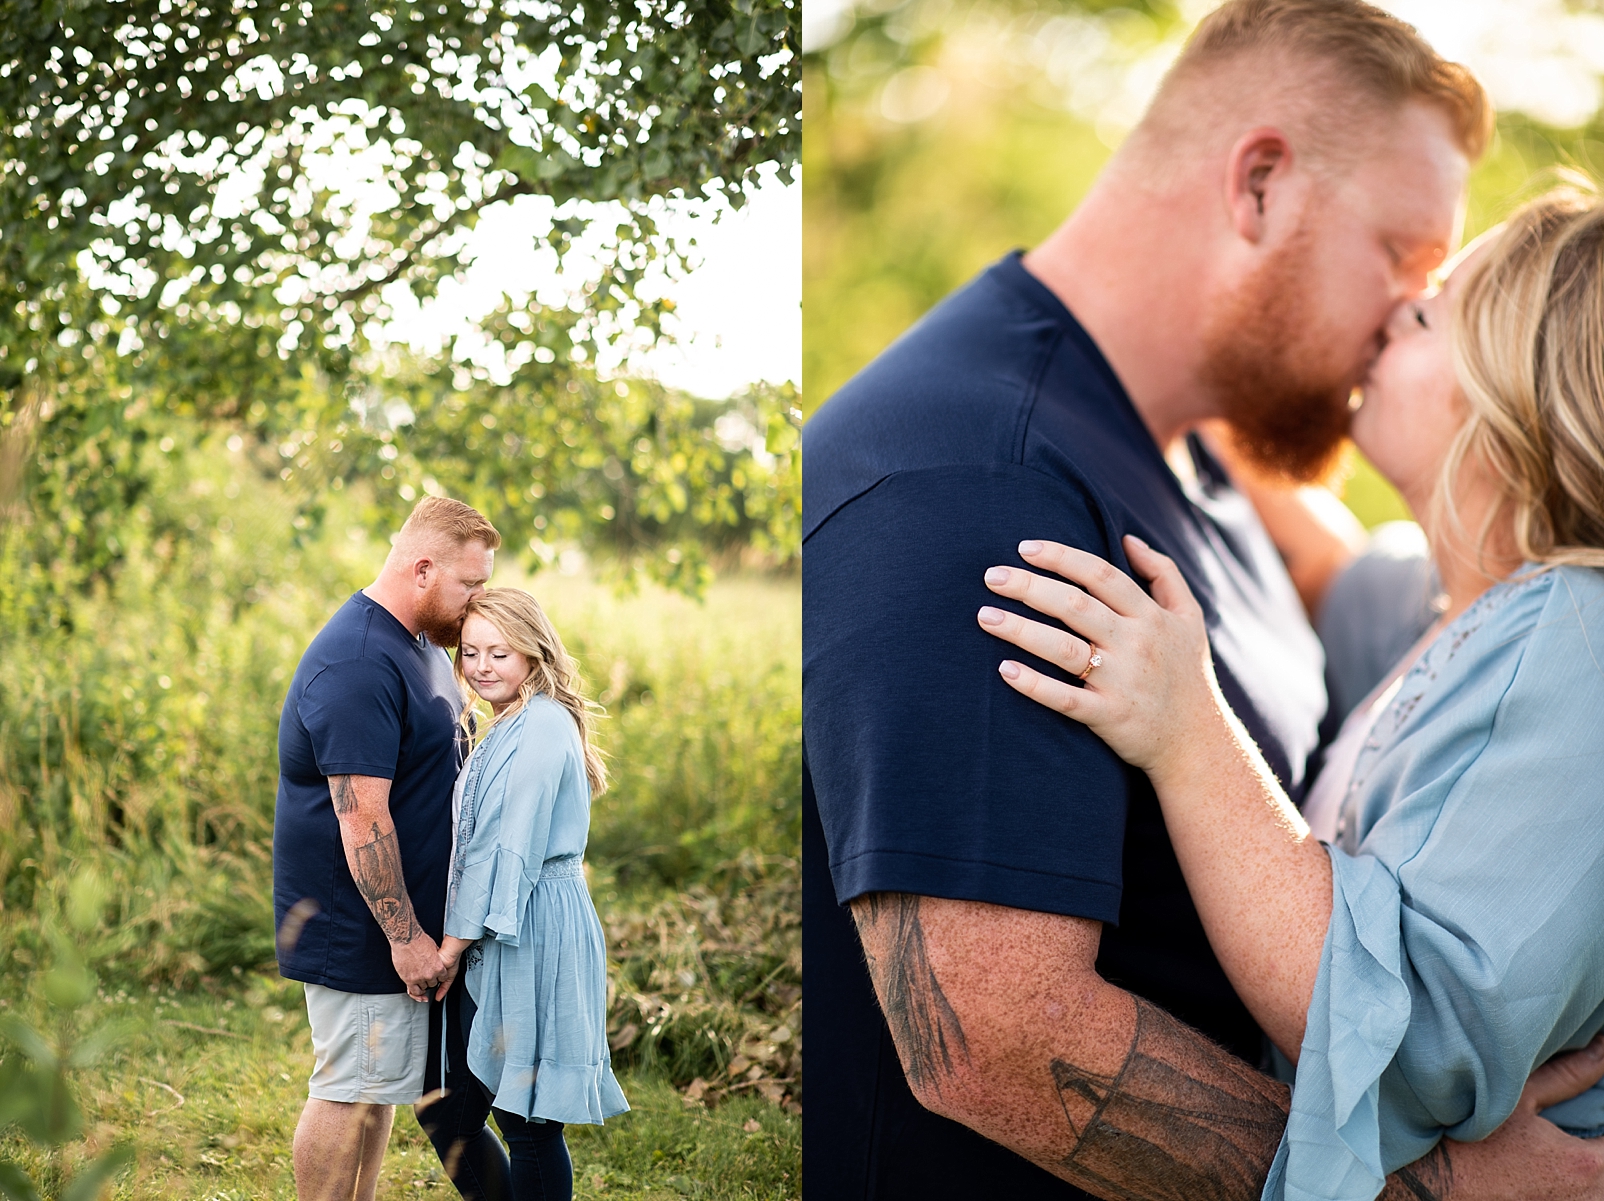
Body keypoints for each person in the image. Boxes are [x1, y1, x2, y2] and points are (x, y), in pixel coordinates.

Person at [802, 1, 1604, 1196]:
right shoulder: (976, 472)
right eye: (1401, 260)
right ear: (1261, 187)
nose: (1397, 313)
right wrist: (1429, 1193)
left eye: (1432, 297)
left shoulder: (1208, 469)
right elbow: (994, 1041)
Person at [979, 187, 1604, 1199]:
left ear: (1509, 401)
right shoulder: (1439, 609)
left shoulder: (1579, 637)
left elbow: (1408, 1042)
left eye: (1421, 315)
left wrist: (1185, 732)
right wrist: (1201, 353)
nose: (1384, 316)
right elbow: (1322, 565)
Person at [273, 496, 499, 1201]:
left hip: (397, 921)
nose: (478, 598)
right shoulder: (359, 661)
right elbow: (362, 816)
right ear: (423, 567)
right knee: (346, 1088)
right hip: (360, 922)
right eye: (470, 583)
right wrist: (405, 937)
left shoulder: (418, 643)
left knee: (374, 1091)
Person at [417, 587, 628, 1201]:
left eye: (500, 654)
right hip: (506, 922)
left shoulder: (540, 726)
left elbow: (506, 849)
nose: (482, 667)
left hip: (536, 927)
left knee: (527, 1125)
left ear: (534, 656)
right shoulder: (509, 721)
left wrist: (451, 947)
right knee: (447, 1110)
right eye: (471, 653)